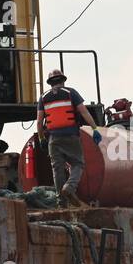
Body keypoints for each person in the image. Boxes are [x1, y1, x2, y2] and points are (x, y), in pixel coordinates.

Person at [37, 69, 98, 207]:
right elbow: (84, 111)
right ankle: (69, 187)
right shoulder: (71, 93)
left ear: (50, 83)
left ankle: (61, 202)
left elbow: (39, 122)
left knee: (57, 169)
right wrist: (94, 128)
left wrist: (41, 138)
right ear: (63, 81)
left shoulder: (43, 97)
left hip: (53, 138)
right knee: (78, 163)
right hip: (71, 135)